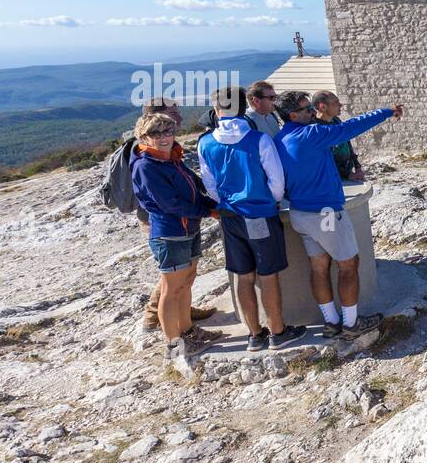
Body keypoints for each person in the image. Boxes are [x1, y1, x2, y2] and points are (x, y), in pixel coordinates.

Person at [273, 91, 402, 339]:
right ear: (292, 115)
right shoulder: (311, 135)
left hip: (300, 214)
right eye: (306, 109)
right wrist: (386, 112)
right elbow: (351, 127)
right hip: (326, 214)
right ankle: (352, 325)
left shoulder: (279, 139)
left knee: (319, 268)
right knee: (348, 264)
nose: (312, 112)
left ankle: (331, 321)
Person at [198, 87, 306, 352]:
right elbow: (276, 181)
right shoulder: (258, 139)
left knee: (243, 277)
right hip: (259, 213)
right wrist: (270, 199)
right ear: (241, 107)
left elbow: (209, 184)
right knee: (268, 276)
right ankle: (278, 332)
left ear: (216, 110)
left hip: (229, 216)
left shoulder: (205, 143)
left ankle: (254, 335)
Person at [131, 113, 222, 359]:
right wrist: (208, 211)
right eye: (156, 134)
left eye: (168, 132)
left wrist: (213, 204)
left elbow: (192, 190)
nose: (163, 138)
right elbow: (169, 203)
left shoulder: (171, 159)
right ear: (143, 137)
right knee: (171, 290)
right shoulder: (146, 166)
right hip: (169, 233)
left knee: (186, 282)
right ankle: (175, 344)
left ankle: (189, 332)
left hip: (187, 229)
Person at [311, 90, 365, 182]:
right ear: (322, 106)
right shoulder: (314, 130)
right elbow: (321, 161)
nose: (340, 105)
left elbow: (347, 143)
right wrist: (346, 175)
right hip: (331, 179)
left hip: (348, 173)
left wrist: (357, 166)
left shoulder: (336, 121)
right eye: (336, 102)